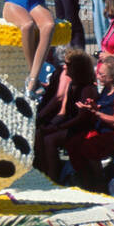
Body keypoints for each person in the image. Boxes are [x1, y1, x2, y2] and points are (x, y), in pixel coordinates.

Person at [66, 55, 114, 190]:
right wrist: (93, 107)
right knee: (73, 143)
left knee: (88, 147)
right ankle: (85, 179)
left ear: (112, 77)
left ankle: (99, 181)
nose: (98, 76)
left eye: (101, 74)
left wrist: (96, 112)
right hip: (101, 129)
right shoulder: (107, 88)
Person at [37, 48, 99, 180]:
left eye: (68, 64)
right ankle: (43, 170)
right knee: (40, 133)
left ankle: (53, 175)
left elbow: (81, 117)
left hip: (81, 127)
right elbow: (63, 111)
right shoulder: (71, 85)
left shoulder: (87, 88)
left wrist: (58, 128)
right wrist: (51, 124)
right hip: (70, 123)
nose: (64, 66)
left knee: (50, 139)